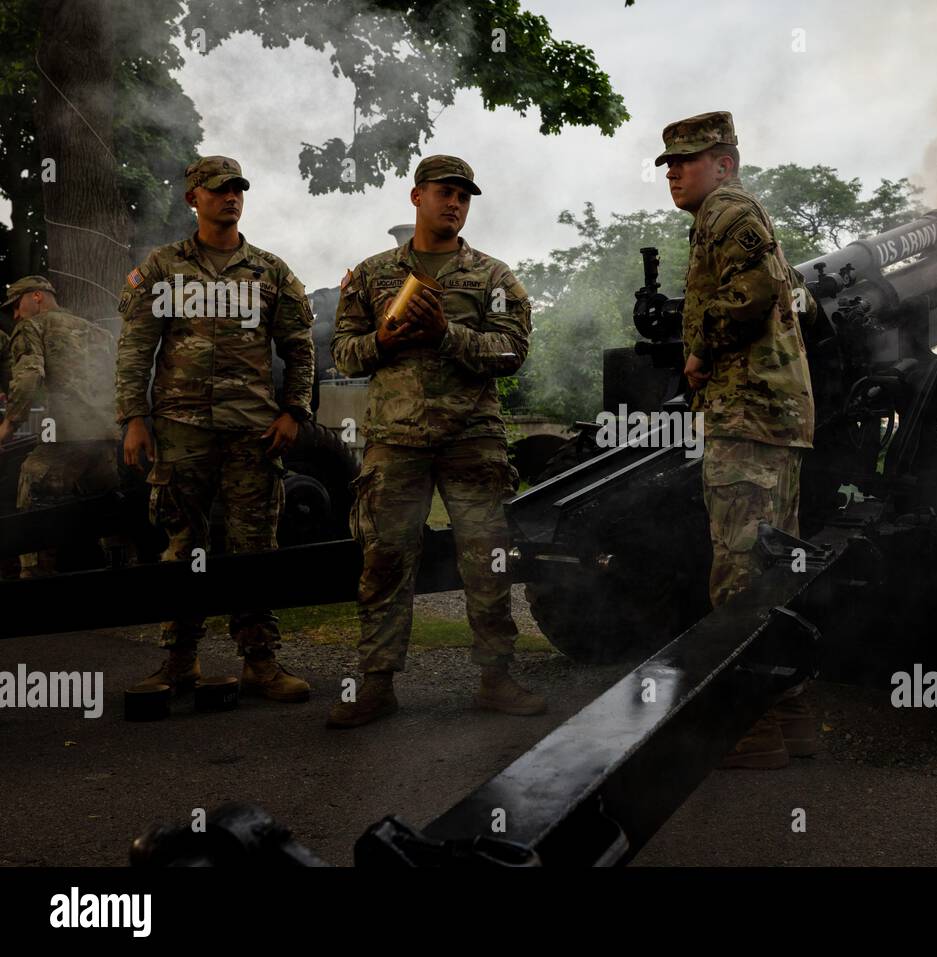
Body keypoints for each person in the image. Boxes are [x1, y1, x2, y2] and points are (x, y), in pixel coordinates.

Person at [328, 154, 540, 728]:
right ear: (415, 196)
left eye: (464, 196)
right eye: (444, 192)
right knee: (385, 559)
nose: (455, 203)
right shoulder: (373, 275)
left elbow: (511, 353)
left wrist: (447, 334)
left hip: (472, 439)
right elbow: (344, 353)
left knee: (487, 560)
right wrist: (384, 338)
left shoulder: (494, 277)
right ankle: (376, 684)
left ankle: (496, 678)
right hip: (394, 439)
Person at [114, 155, 314, 702]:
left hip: (253, 429)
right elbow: (135, 348)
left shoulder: (270, 271)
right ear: (193, 198)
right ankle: (180, 660)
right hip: (180, 430)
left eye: (238, 189)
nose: (232, 197)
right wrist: (134, 417)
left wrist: (294, 411)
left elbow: (299, 349)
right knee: (184, 543)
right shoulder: (161, 268)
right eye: (220, 189)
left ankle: (261, 661)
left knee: (254, 545)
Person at [658, 111, 820, 768]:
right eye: (668, 163)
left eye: (686, 160)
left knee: (738, 572)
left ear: (724, 163)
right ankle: (790, 716)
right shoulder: (722, 217)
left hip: (746, 417)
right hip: (769, 418)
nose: (673, 172)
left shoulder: (728, 210)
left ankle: (748, 728)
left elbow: (753, 294)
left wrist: (699, 349)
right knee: (778, 570)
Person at [0, 276, 120, 577]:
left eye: (17, 305)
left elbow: (28, 377)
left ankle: (33, 580)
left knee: (32, 485)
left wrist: (8, 425)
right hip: (104, 435)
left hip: (67, 435)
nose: (15, 314)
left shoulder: (32, 326)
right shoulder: (99, 332)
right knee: (108, 509)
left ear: (36, 297)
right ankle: (123, 575)